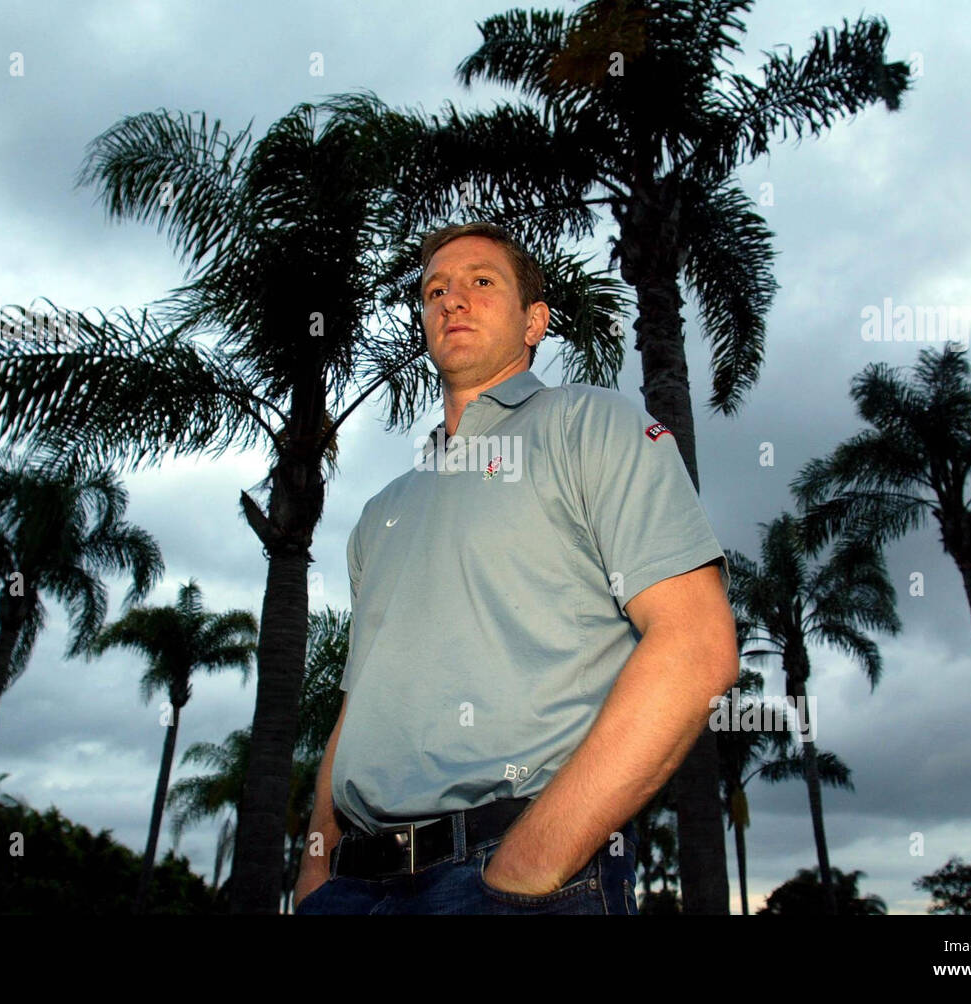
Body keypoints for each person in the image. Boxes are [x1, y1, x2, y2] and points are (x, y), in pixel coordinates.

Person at [292, 222, 738, 915]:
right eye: (435, 289)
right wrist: (315, 874)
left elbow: (696, 645)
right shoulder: (381, 513)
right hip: (351, 890)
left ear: (535, 321)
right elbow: (357, 712)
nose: (452, 300)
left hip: (508, 876)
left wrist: (528, 864)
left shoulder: (591, 424)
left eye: (480, 281)